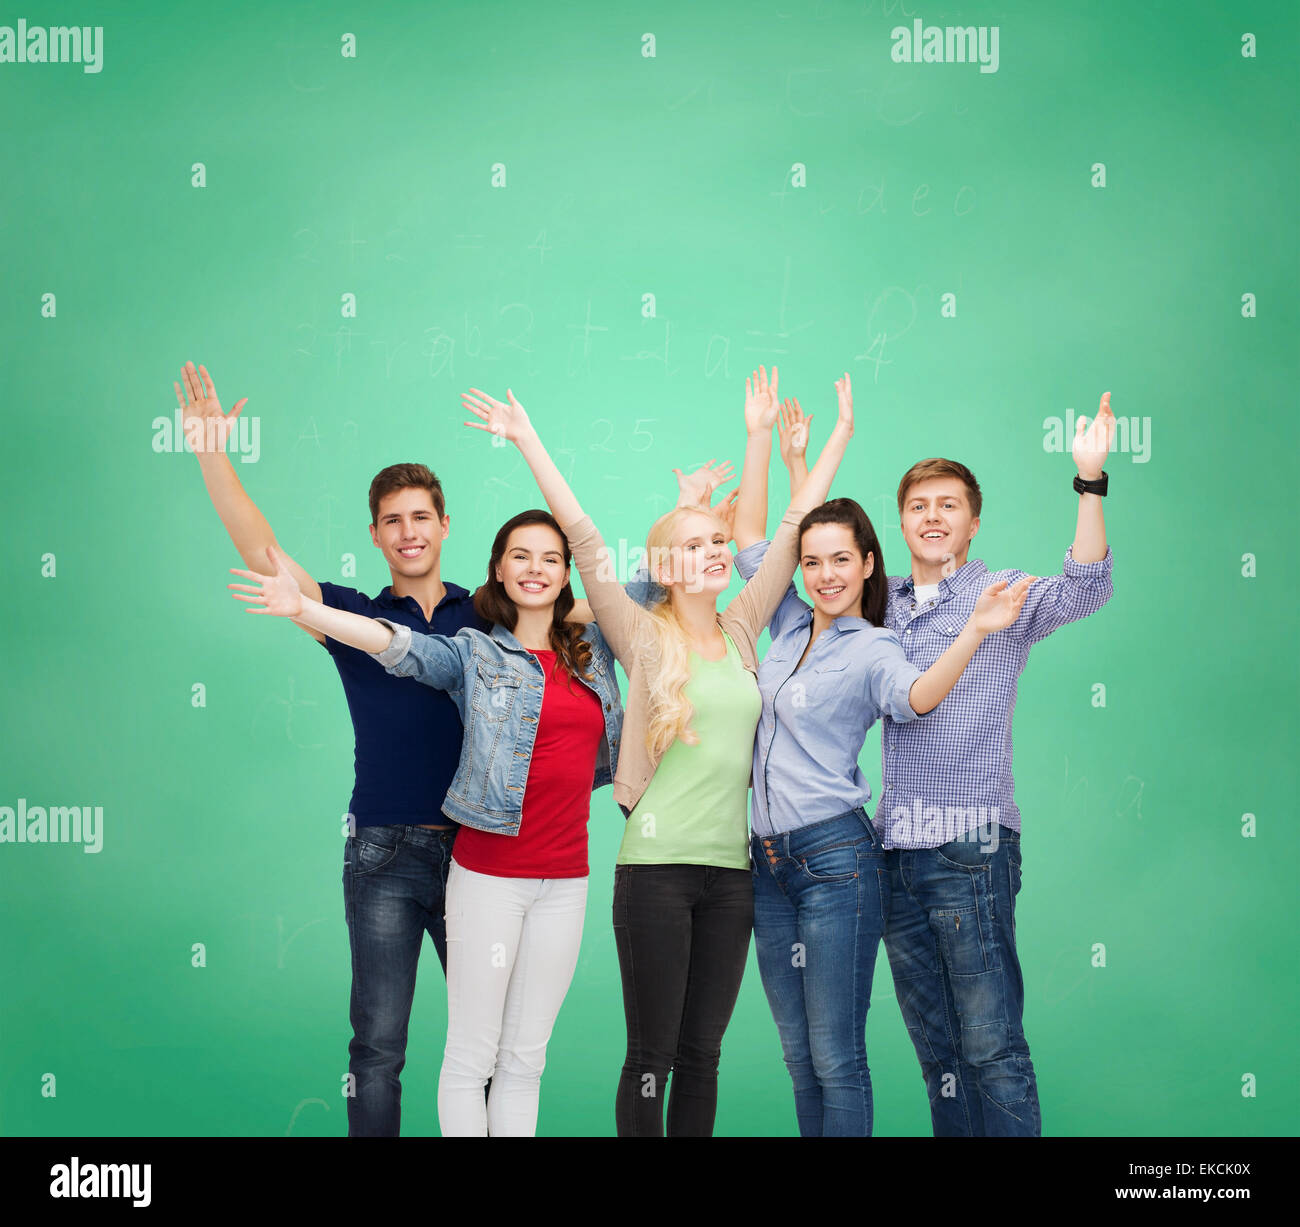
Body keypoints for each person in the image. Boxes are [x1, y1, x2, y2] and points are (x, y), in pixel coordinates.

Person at [176, 360, 595, 1136]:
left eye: (421, 516)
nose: (409, 531)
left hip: (483, 854)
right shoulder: (350, 616)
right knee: (378, 1045)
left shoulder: (493, 616)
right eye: (393, 519)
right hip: (384, 854)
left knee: (497, 1048)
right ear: (376, 534)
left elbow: (578, 599)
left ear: (445, 527)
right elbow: (264, 552)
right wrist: (210, 453)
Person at [458, 368, 852, 1136]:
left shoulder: (742, 629)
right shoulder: (641, 635)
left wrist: (802, 436)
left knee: (702, 1054)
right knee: (652, 1055)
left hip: (732, 875)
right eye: (695, 543)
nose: (713, 551)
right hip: (655, 874)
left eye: (717, 541)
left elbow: (796, 522)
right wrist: (526, 437)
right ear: (665, 564)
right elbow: (583, 537)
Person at [774, 391, 1118, 1137]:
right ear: (899, 525)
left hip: (973, 847)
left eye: (949, 505)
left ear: (973, 520)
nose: (933, 516)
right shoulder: (877, 601)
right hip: (893, 852)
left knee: (992, 1047)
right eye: (919, 505)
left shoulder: (1006, 595)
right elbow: (785, 566)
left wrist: (1089, 482)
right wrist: (798, 462)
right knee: (941, 1055)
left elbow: (1089, 586)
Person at [228, 508, 623, 1136]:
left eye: (551, 558)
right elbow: (397, 646)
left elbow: (642, 601)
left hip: (566, 882)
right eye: (520, 555)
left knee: (523, 1061)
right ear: (497, 567)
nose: (536, 568)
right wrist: (303, 608)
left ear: (568, 571)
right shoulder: (474, 651)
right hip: (487, 874)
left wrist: (703, 513)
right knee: (468, 1057)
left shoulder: (592, 650)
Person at [728, 381, 1034, 1136]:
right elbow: (755, 544)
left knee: (845, 1056)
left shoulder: (876, 644)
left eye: (843, 562)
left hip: (838, 853)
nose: (825, 573)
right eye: (812, 564)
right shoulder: (792, 620)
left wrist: (974, 631)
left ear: (873, 565)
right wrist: (767, 442)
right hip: (767, 860)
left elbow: (920, 697)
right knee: (810, 1057)